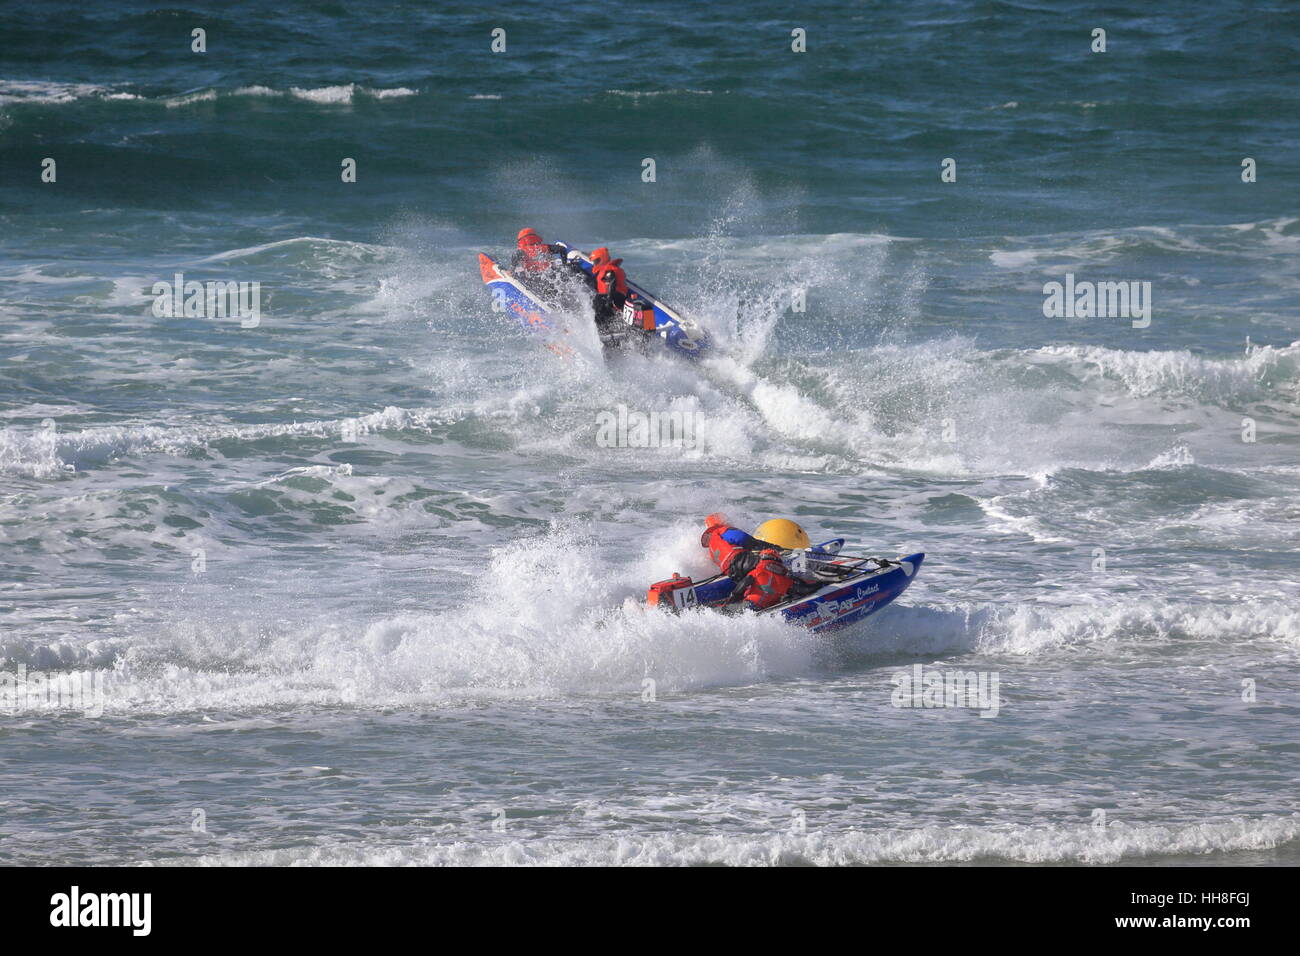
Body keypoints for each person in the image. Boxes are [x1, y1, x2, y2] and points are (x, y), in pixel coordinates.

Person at [700, 514, 815, 609]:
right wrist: (773, 547)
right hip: (744, 562)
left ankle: (761, 602)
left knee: (758, 582)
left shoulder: (711, 549)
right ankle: (800, 586)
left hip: (733, 573)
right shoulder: (722, 531)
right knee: (774, 567)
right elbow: (745, 540)